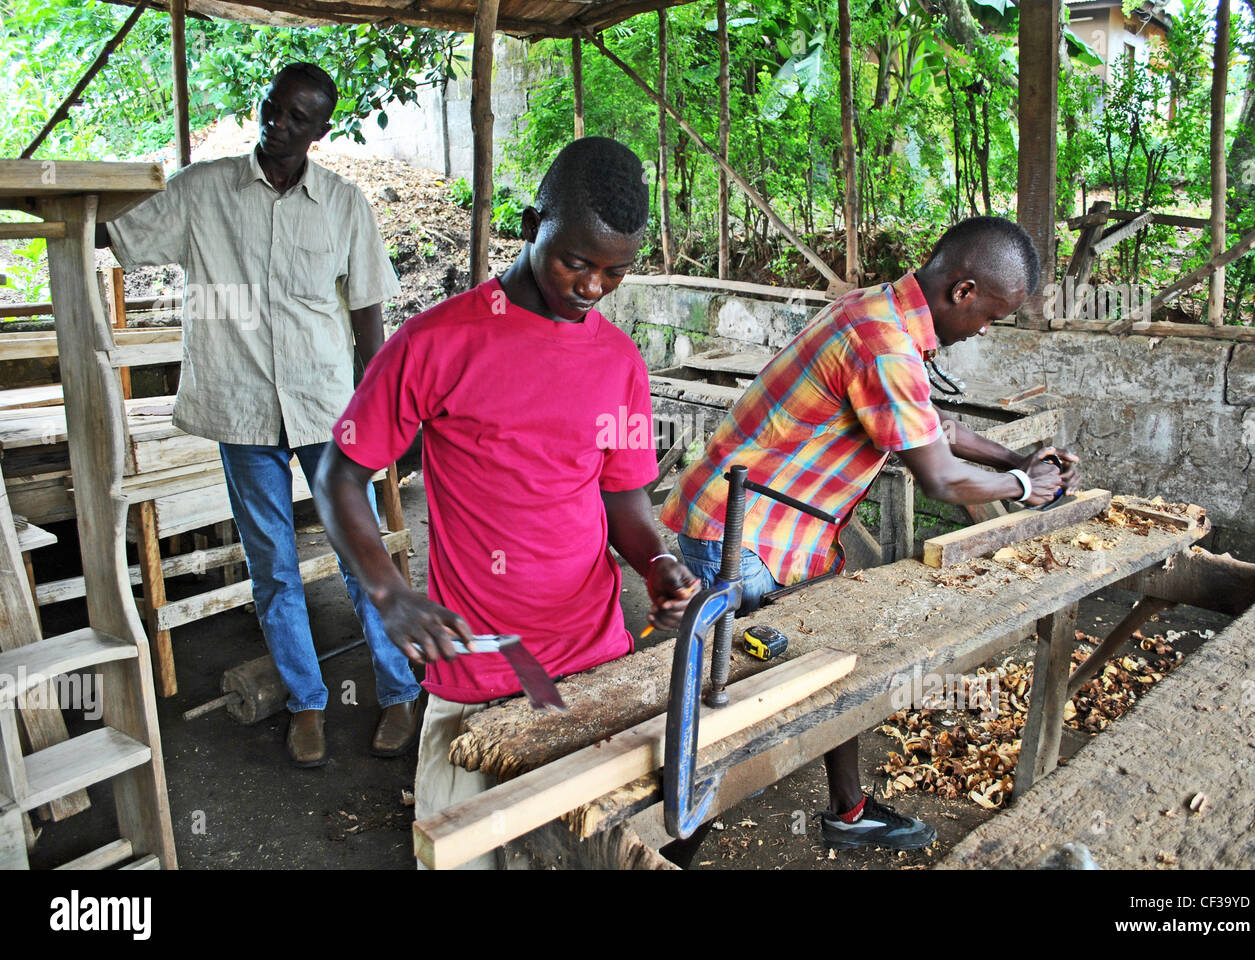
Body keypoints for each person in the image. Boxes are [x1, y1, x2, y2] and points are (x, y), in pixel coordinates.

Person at [315, 137, 701, 868]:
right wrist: (387, 590)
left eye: (614, 273)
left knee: (606, 846)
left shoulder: (617, 361)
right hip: (480, 671)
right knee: (467, 854)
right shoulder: (438, 341)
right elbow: (339, 475)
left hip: (595, 661)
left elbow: (624, 502)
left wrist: (656, 562)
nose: (591, 287)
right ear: (531, 225)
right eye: (575, 262)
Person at [661, 216, 1082, 853]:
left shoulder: (878, 311)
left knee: (831, 661)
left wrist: (1014, 462)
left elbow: (930, 423)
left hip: (771, 530)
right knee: (737, 706)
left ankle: (847, 808)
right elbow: (939, 476)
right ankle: (674, 843)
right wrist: (1026, 492)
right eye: (991, 315)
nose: (985, 329)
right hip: (741, 537)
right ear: (962, 291)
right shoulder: (882, 341)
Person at [96, 63, 423, 766]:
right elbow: (115, 235)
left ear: (320, 130)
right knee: (272, 565)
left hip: (326, 409)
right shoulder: (204, 190)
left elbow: (369, 317)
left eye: (298, 118)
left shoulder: (342, 204)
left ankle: (398, 692)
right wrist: (66, 195)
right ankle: (306, 705)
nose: (279, 124)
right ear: (263, 104)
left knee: (360, 553)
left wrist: (379, 412)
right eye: (273, 108)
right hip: (243, 408)